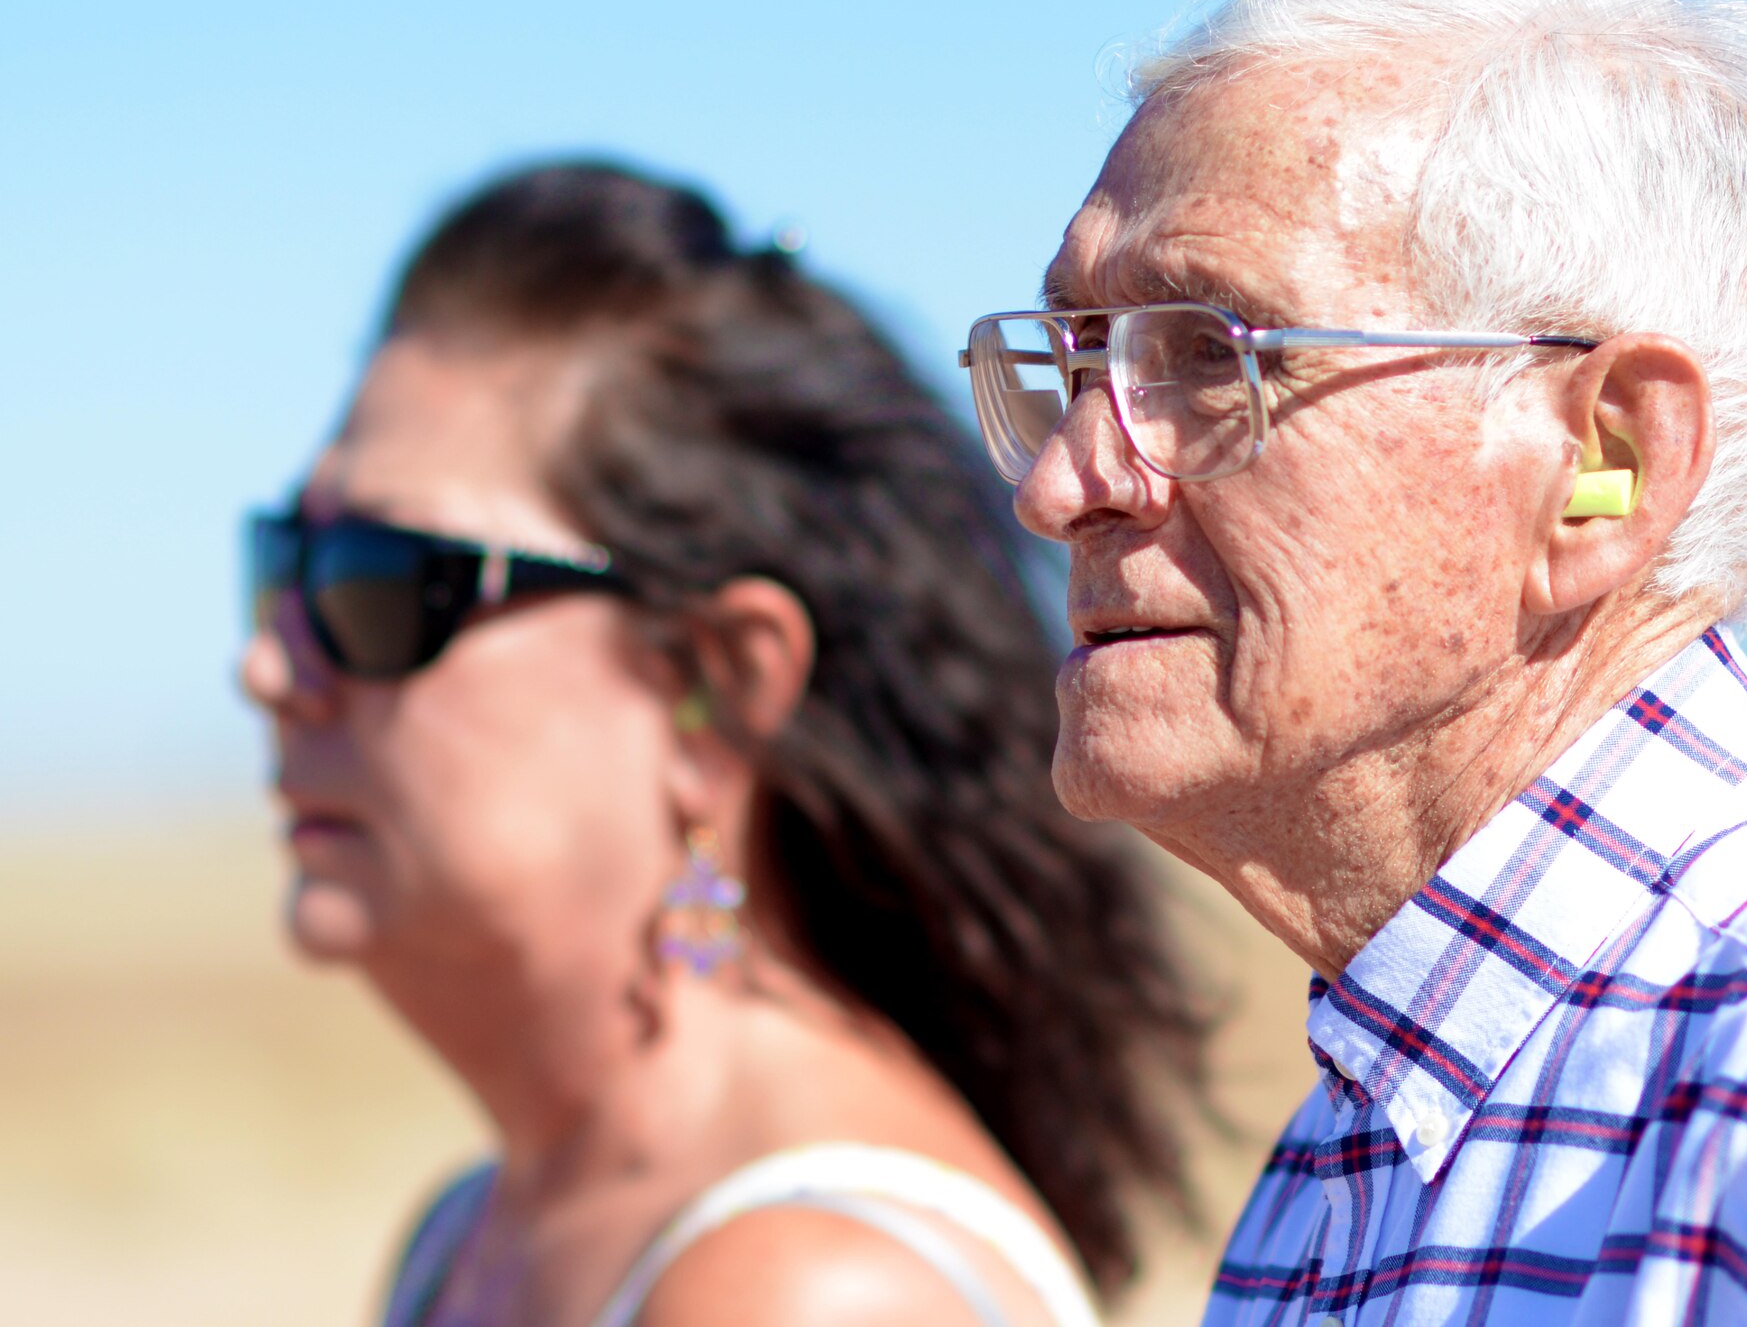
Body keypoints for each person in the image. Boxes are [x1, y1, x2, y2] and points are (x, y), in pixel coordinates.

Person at [959, 0, 1747, 1322]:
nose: (1062, 483)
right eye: (1078, 357)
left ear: (1601, 462)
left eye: (1206, 356)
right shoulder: (1360, 1138)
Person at [239, 159, 1206, 1327]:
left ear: (718, 683)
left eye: (377, 584)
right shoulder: (473, 1232)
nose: (271, 669)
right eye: (281, 561)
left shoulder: (814, 1290)